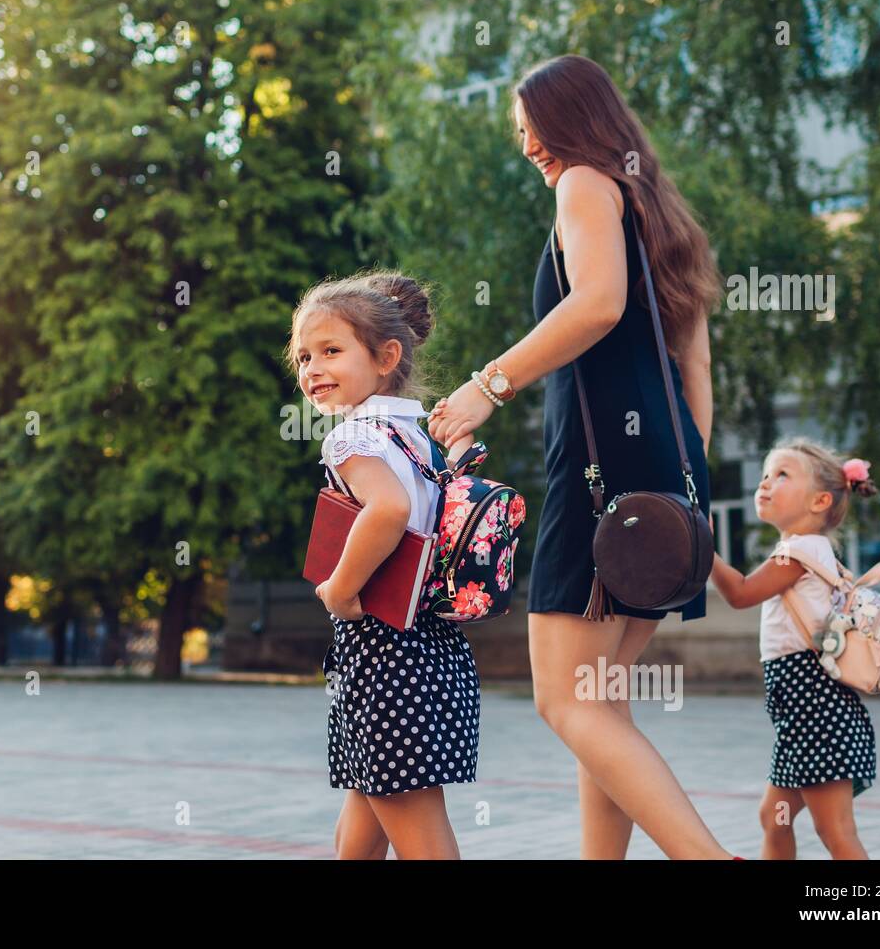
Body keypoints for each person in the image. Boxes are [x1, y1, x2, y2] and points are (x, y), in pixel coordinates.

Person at [427, 54, 736, 859]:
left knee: (565, 701)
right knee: (601, 699)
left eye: (530, 123)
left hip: (604, 478)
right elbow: (695, 369)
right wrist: (689, 482)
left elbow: (595, 305)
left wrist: (485, 387)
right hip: (666, 477)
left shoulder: (584, 187)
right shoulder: (663, 218)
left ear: (573, 119)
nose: (525, 142)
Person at [287, 269, 479, 859]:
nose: (312, 368)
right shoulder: (412, 436)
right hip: (428, 644)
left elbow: (389, 510)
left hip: (382, 649)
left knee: (417, 827)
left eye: (330, 351)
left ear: (387, 355)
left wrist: (341, 589)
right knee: (363, 821)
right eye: (302, 357)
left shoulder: (351, 439)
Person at [709, 439, 879, 860]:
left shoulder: (801, 550)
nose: (766, 483)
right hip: (803, 713)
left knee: (834, 830)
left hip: (816, 712)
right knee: (775, 817)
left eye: (783, 475)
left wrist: (702, 549)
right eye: (766, 474)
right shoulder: (808, 551)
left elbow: (741, 593)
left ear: (820, 501)